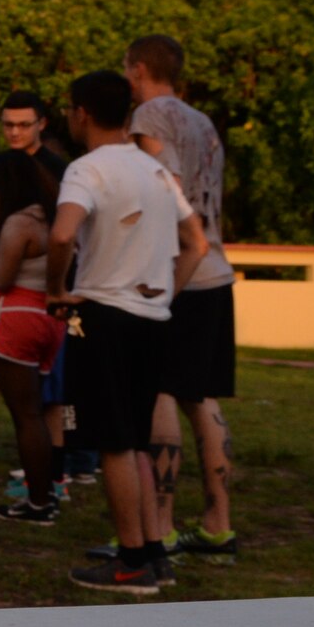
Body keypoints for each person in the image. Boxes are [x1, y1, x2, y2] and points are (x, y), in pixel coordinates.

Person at [46, 71, 208, 594]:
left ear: (82, 113)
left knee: (113, 443)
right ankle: (154, 552)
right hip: (152, 319)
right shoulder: (156, 172)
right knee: (136, 439)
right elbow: (197, 243)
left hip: (104, 317)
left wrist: (56, 290)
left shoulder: (86, 169)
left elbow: (63, 232)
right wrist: (165, 292)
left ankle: (131, 561)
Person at [127, 35, 239, 564]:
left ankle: (165, 526)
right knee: (203, 398)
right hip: (217, 268)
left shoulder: (150, 116)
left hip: (179, 271)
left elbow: (166, 186)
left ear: (140, 68)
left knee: (162, 393)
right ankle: (219, 522)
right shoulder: (203, 121)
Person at [0, 150, 66, 523]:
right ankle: (49, 491)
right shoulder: (54, 217)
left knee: (25, 416)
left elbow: (3, 277)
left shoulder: (19, 222)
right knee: (43, 413)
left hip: (15, 316)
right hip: (49, 317)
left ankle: (38, 501)